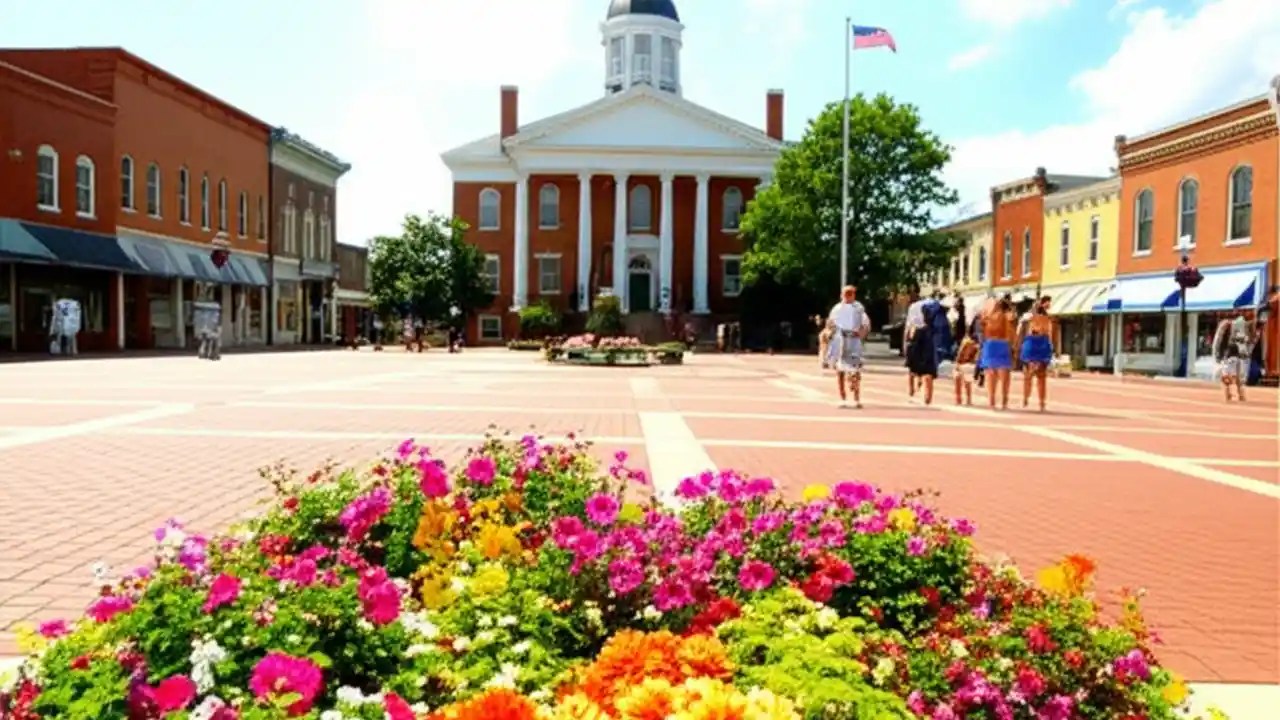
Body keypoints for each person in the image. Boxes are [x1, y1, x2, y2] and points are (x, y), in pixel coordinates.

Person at [828, 285, 871, 408]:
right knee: (840, 371)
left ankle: (856, 398)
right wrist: (830, 335)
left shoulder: (858, 308)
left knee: (854, 370)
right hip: (840, 340)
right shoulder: (837, 308)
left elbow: (866, 324)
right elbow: (830, 323)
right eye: (845, 294)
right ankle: (842, 397)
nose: (847, 296)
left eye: (850, 294)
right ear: (841, 295)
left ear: (853, 295)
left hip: (853, 341)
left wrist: (861, 334)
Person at [1018, 295, 1055, 411]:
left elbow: (1050, 334)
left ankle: (1039, 402)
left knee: (1040, 377)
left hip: (1041, 346)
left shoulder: (1047, 318)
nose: (1049, 305)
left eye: (1049, 303)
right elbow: (1021, 330)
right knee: (1030, 376)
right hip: (1033, 346)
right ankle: (1027, 399)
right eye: (1047, 303)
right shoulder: (1030, 317)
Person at [981, 294, 1016, 410]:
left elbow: (981, 329)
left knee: (991, 373)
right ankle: (1004, 400)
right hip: (1001, 344)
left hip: (990, 344)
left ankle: (992, 401)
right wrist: (1013, 346)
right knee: (1004, 374)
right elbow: (1011, 332)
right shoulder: (1007, 316)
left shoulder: (986, 315)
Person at [905, 300, 941, 405]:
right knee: (929, 371)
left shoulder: (913, 307)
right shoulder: (937, 308)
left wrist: (906, 344)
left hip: (916, 338)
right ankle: (927, 398)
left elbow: (909, 328)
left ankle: (911, 391)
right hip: (929, 340)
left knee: (912, 368)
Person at [903, 291, 927, 396]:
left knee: (911, 365)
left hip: (914, 335)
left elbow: (908, 325)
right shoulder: (928, 306)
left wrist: (904, 342)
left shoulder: (913, 307)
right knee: (923, 362)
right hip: (926, 335)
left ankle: (911, 388)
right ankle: (920, 379)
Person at [953, 332, 979, 406]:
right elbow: (957, 362)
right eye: (967, 347)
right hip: (960, 365)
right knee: (957, 378)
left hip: (968, 366)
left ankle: (968, 399)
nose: (969, 349)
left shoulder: (974, 351)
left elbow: (974, 362)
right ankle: (958, 398)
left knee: (967, 382)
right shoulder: (961, 354)